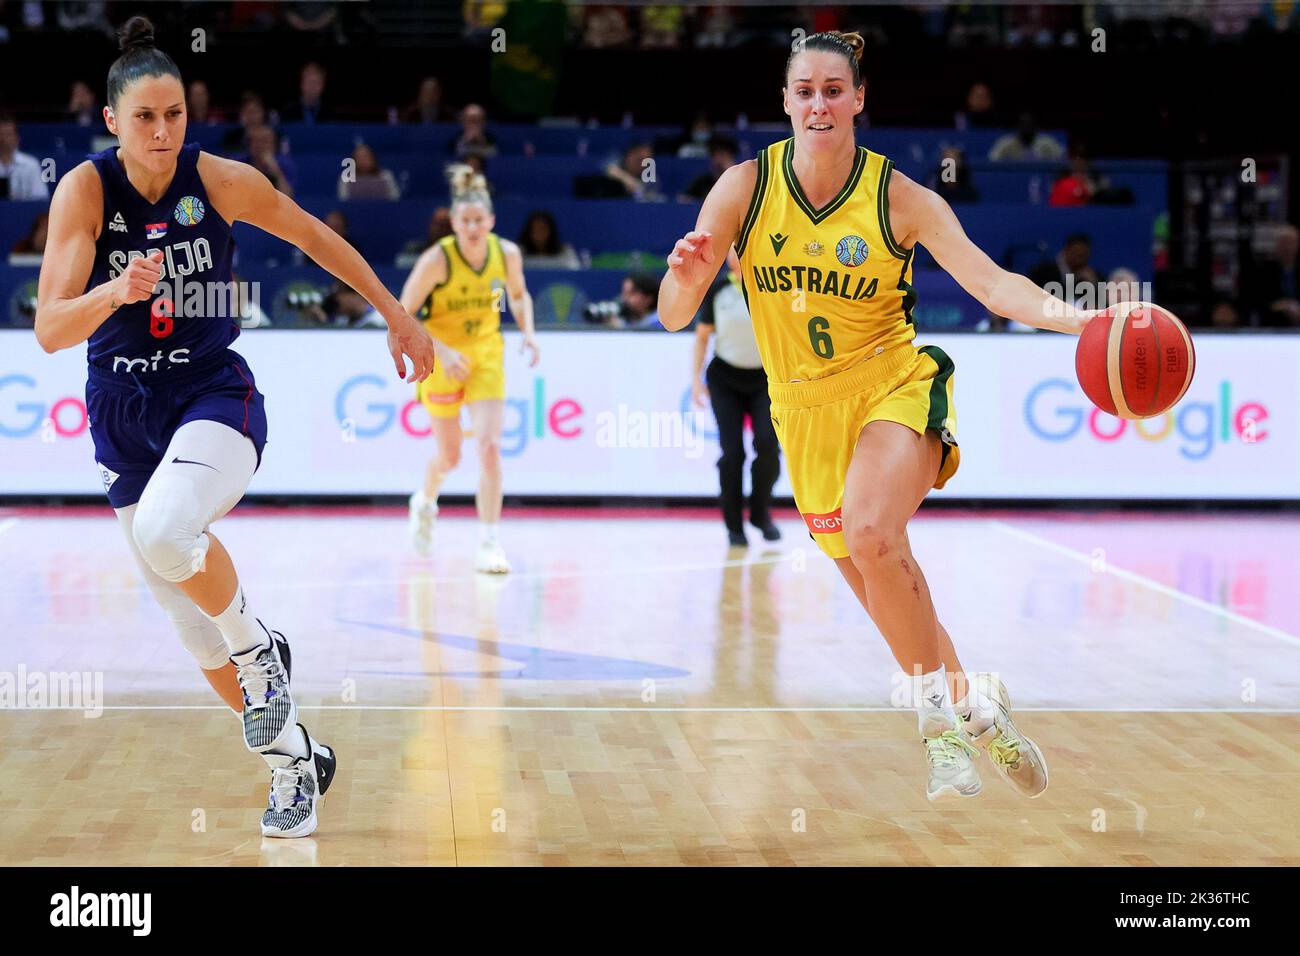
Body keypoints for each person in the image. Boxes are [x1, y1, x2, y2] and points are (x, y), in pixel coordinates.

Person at [659, 31, 1098, 802]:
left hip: (891, 383)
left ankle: (935, 729)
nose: (820, 103)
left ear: (859, 98)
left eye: (835, 89)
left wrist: (1088, 322)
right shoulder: (742, 188)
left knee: (869, 532)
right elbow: (671, 316)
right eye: (806, 91)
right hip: (802, 411)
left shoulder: (902, 198)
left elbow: (997, 288)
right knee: (889, 586)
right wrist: (685, 275)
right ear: (785, 101)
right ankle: (979, 711)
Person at [33, 17, 436, 838]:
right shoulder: (83, 190)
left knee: (167, 529)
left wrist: (398, 315)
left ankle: (262, 653)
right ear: (111, 120)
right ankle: (297, 763)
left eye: (175, 114)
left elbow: (317, 238)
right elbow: (49, 328)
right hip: (122, 415)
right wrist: (115, 292)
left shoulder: (217, 180)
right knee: (190, 627)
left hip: (214, 397)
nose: (161, 130)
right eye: (144, 117)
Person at [401, 165, 541, 573]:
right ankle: (425, 502)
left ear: (492, 221)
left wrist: (528, 332)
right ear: (454, 222)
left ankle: (489, 543)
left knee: (490, 447)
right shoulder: (436, 260)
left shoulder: (507, 253)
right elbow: (403, 313)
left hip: (485, 353)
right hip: (441, 358)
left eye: (480, 220)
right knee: (449, 457)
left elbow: (519, 295)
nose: (474, 227)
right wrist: (441, 351)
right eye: (466, 221)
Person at [691, 246, 781, 547]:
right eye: (732, 249)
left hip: (765, 380)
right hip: (724, 379)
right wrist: (695, 379)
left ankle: (760, 513)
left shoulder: (773, 285)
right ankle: (734, 527)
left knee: (768, 445)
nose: (739, 254)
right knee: (733, 453)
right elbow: (702, 337)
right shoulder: (717, 289)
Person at [0, 111, 50, 200]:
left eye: (8, 135)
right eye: (1, 135)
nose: (3, 139)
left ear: (17, 138)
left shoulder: (31, 164)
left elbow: (40, 198)